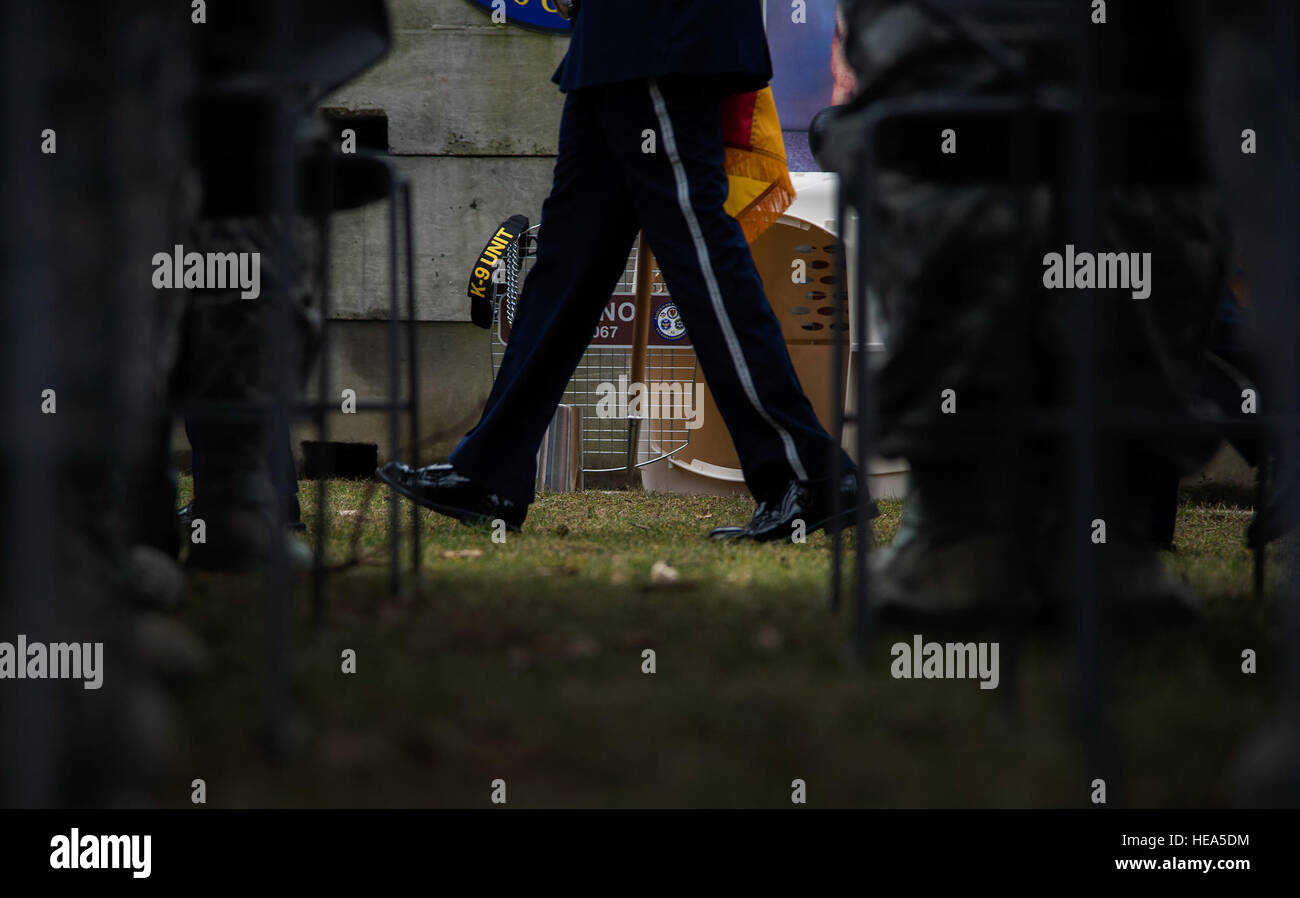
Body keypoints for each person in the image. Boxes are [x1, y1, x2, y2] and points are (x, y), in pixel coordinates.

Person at [380, 0, 864, 542]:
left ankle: (805, 471)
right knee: (568, 261)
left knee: (701, 256)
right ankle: (488, 470)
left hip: (658, 33)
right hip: (615, 39)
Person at [820, 0, 1227, 618]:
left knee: (911, 147)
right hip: (1138, 172)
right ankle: (1096, 535)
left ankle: (960, 531)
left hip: (956, 168)